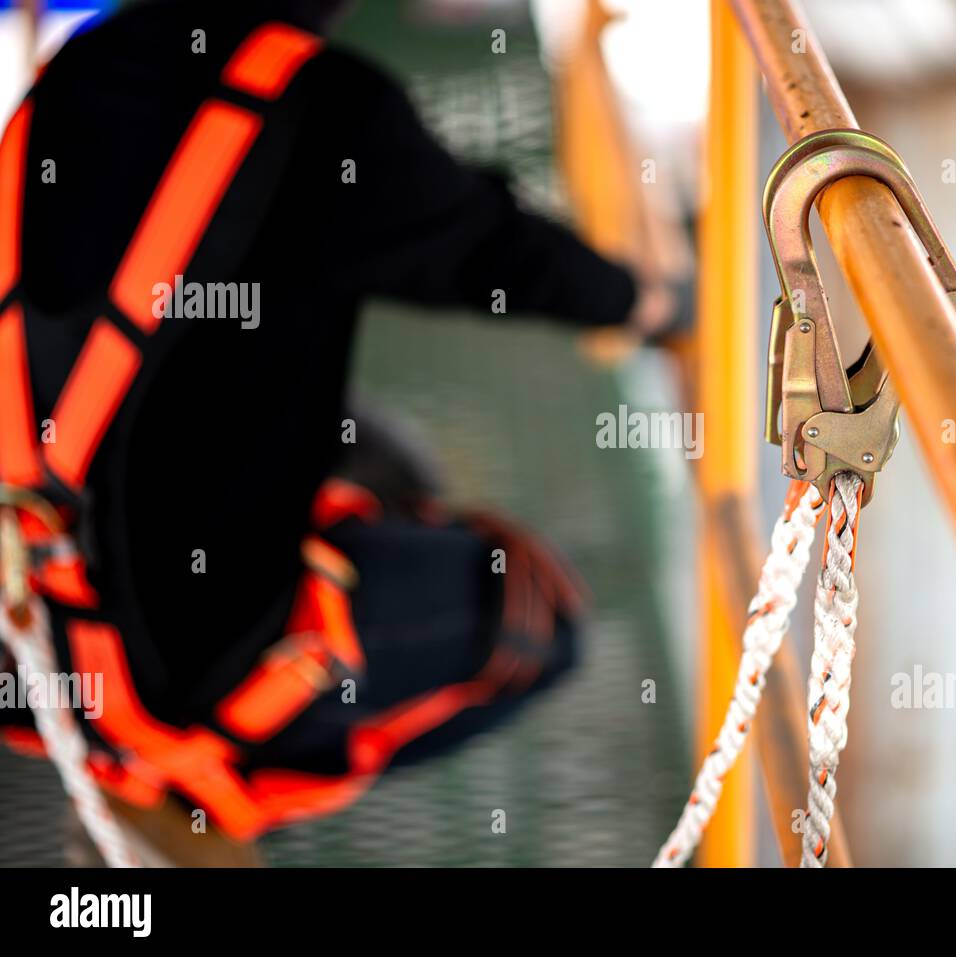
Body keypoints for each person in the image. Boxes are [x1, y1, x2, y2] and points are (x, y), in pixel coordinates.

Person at [0, 0, 676, 847]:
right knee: (539, 614)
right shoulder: (320, 107)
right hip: (179, 661)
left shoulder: (80, 67)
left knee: (367, 442)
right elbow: (491, 251)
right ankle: (205, 792)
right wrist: (644, 302)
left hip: (27, 628)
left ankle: (176, 787)